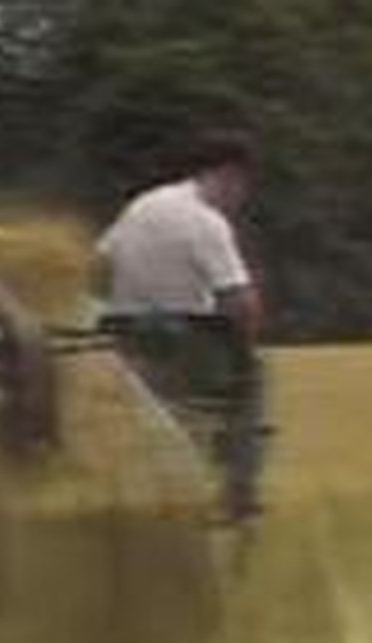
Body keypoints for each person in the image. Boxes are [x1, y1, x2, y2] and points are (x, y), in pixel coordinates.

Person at [94, 130, 270, 524]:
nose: (241, 198)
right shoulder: (206, 221)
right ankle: (239, 497)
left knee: (165, 416)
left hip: (121, 339)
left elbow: (100, 269)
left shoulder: (141, 205)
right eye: (243, 187)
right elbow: (240, 301)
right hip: (184, 339)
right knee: (254, 377)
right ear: (230, 175)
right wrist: (245, 349)